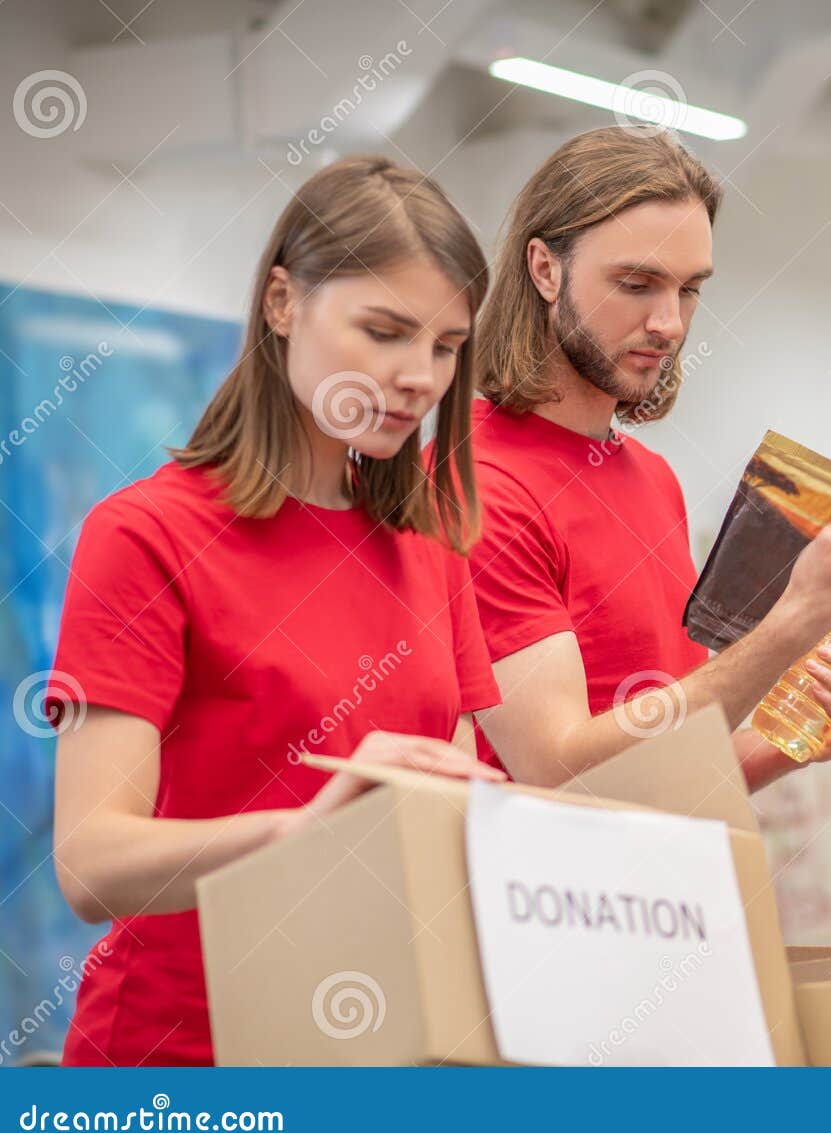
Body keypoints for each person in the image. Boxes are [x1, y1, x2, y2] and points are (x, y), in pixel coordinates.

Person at [47, 157, 504, 1066]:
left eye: (447, 346)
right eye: (384, 331)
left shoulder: (432, 550)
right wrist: (299, 835)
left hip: (376, 1047)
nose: (419, 377)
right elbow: (89, 864)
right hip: (179, 1057)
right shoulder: (146, 535)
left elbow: (443, 823)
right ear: (283, 302)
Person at [467, 128, 831, 790]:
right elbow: (556, 768)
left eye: (689, 289)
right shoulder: (480, 483)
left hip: (669, 884)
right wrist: (795, 620)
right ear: (544, 269)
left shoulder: (653, 478)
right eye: (638, 283)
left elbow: (661, 767)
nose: (670, 324)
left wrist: (793, 742)